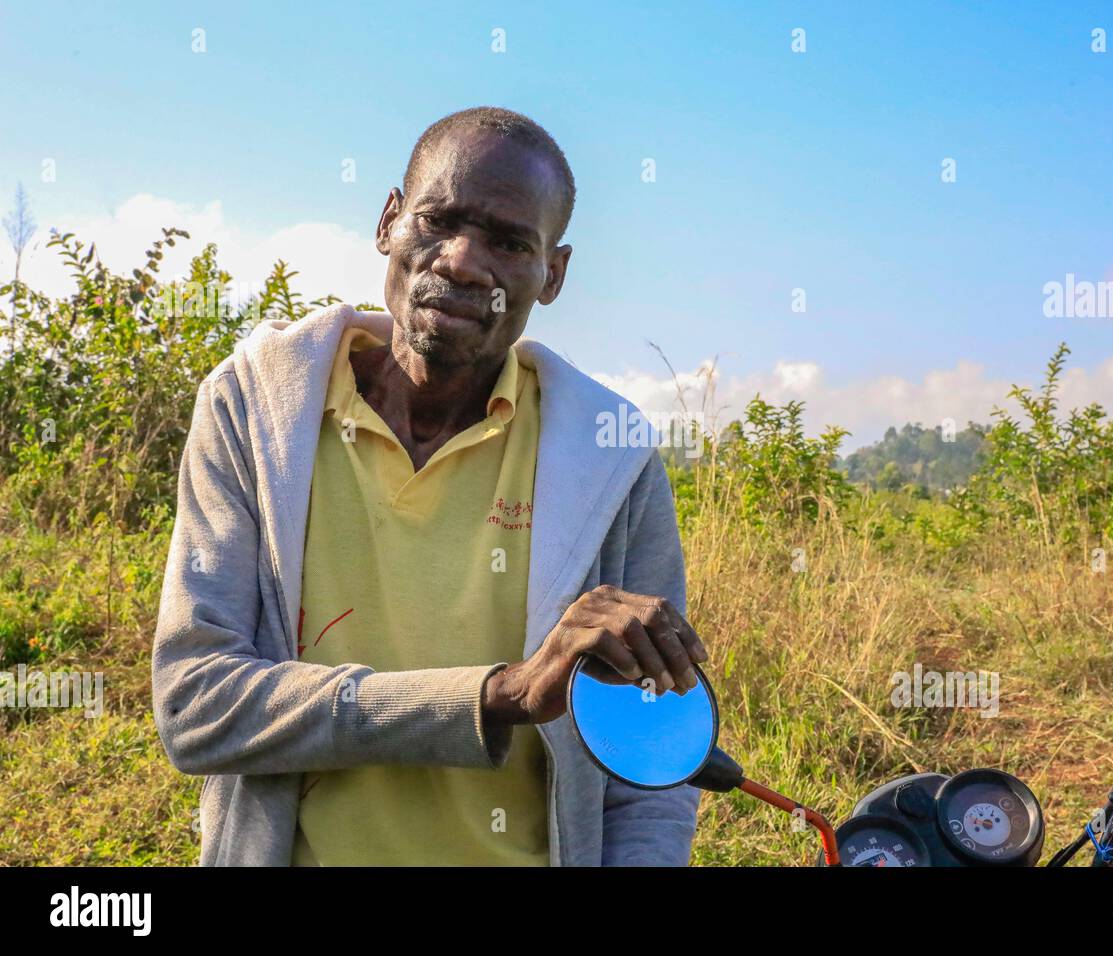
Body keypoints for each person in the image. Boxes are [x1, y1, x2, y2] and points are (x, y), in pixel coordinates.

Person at [152, 106, 705, 866]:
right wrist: (496, 698)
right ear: (389, 222)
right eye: (438, 220)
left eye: (510, 242)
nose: (463, 262)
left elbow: (649, 775)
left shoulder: (614, 460)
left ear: (553, 274)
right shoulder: (255, 410)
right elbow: (196, 706)